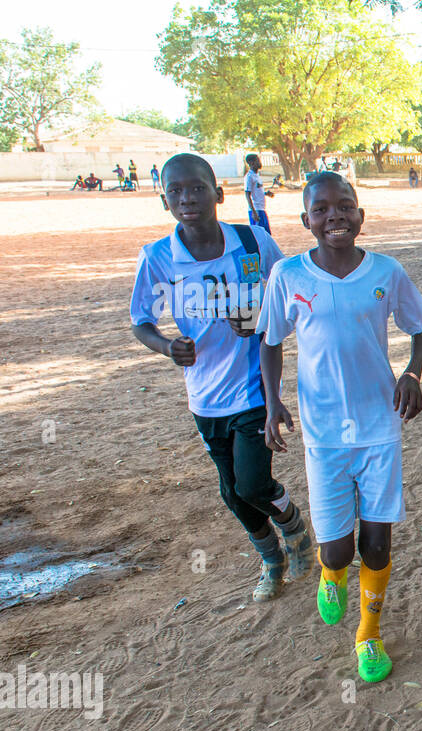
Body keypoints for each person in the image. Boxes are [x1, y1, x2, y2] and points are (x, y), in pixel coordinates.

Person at [258, 172, 422, 684]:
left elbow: (420, 331)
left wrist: (412, 372)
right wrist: (273, 403)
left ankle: (369, 635)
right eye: (322, 208)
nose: (335, 215)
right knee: (338, 549)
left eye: (345, 206)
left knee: (376, 546)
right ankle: (330, 573)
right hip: (324, 434)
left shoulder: (386, 271)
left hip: (380, 427)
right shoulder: (289, 276)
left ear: (361, 215)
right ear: (305, 220)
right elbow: (270, 341)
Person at [129, 153, 313, 604]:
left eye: (196, 188)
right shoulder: (158, 258)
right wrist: (167, 346)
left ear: (219, 193)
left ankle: (293, 528)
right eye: (176, 191)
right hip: (204, 398)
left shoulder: (252, 243)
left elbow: (292, 293)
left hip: (253, 388)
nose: (187, 198)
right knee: (231, 492)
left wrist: (259, 320)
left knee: (252, 484)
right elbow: (141, 321)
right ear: (164, 199)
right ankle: (271, 558)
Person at [244, 153, 270, 233]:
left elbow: (257, 191)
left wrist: (265, 193)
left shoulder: (256, 175)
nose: (260, 163)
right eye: (258, 161)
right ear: (252, 163)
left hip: (262, 209)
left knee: (266, 235)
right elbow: (247, 194)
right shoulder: (249, 177)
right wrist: (254, 212)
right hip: (256, 210)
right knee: (259, 235)